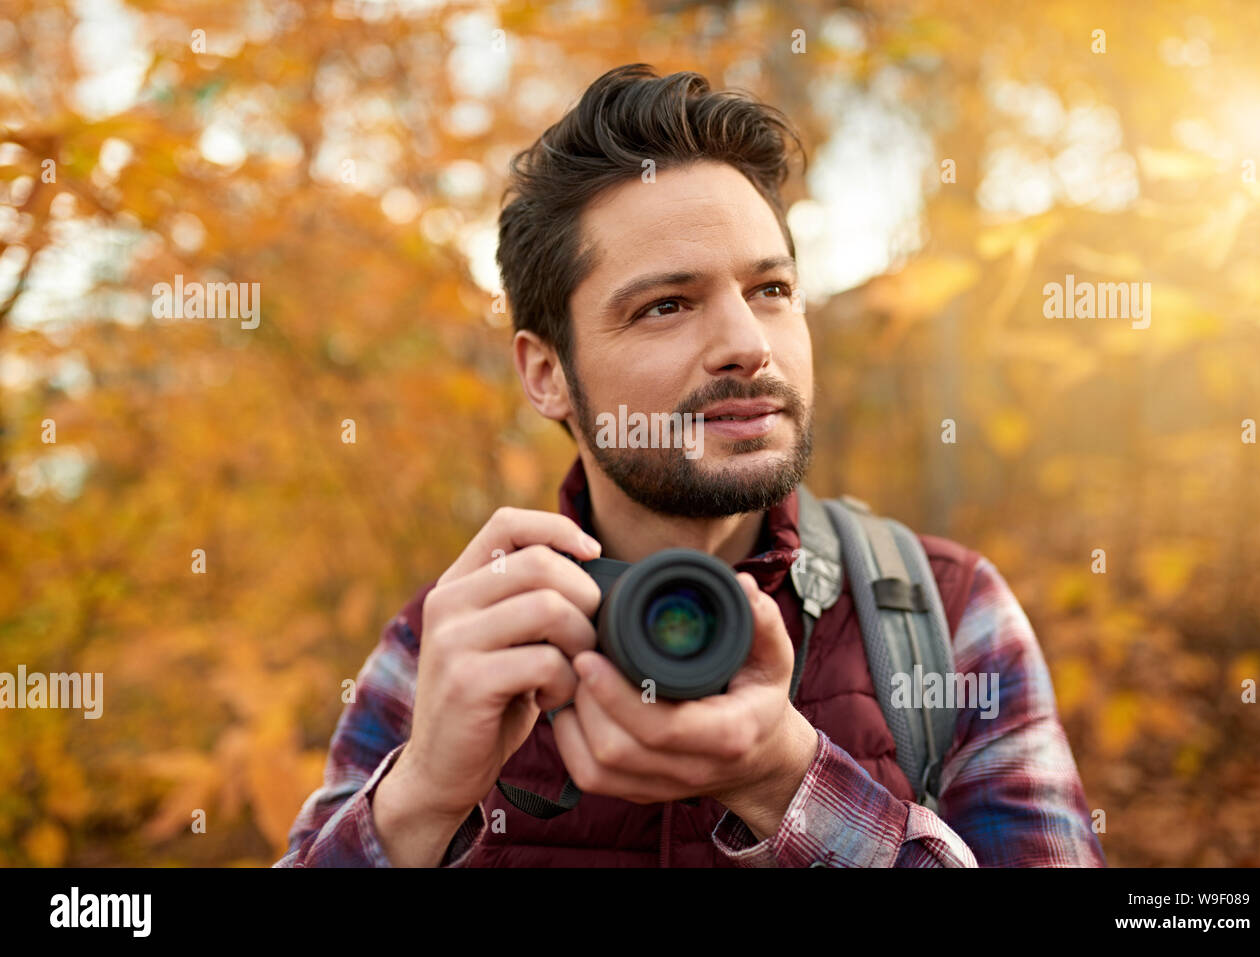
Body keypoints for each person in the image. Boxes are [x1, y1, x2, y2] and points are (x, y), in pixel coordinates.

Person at [275, 63, 1105, 868]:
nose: (748, 343)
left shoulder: (944, 613)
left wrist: (786, 780)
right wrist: (420, 797)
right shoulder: (452, 637)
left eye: (771, 290)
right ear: (546, 373)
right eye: (666, 305)